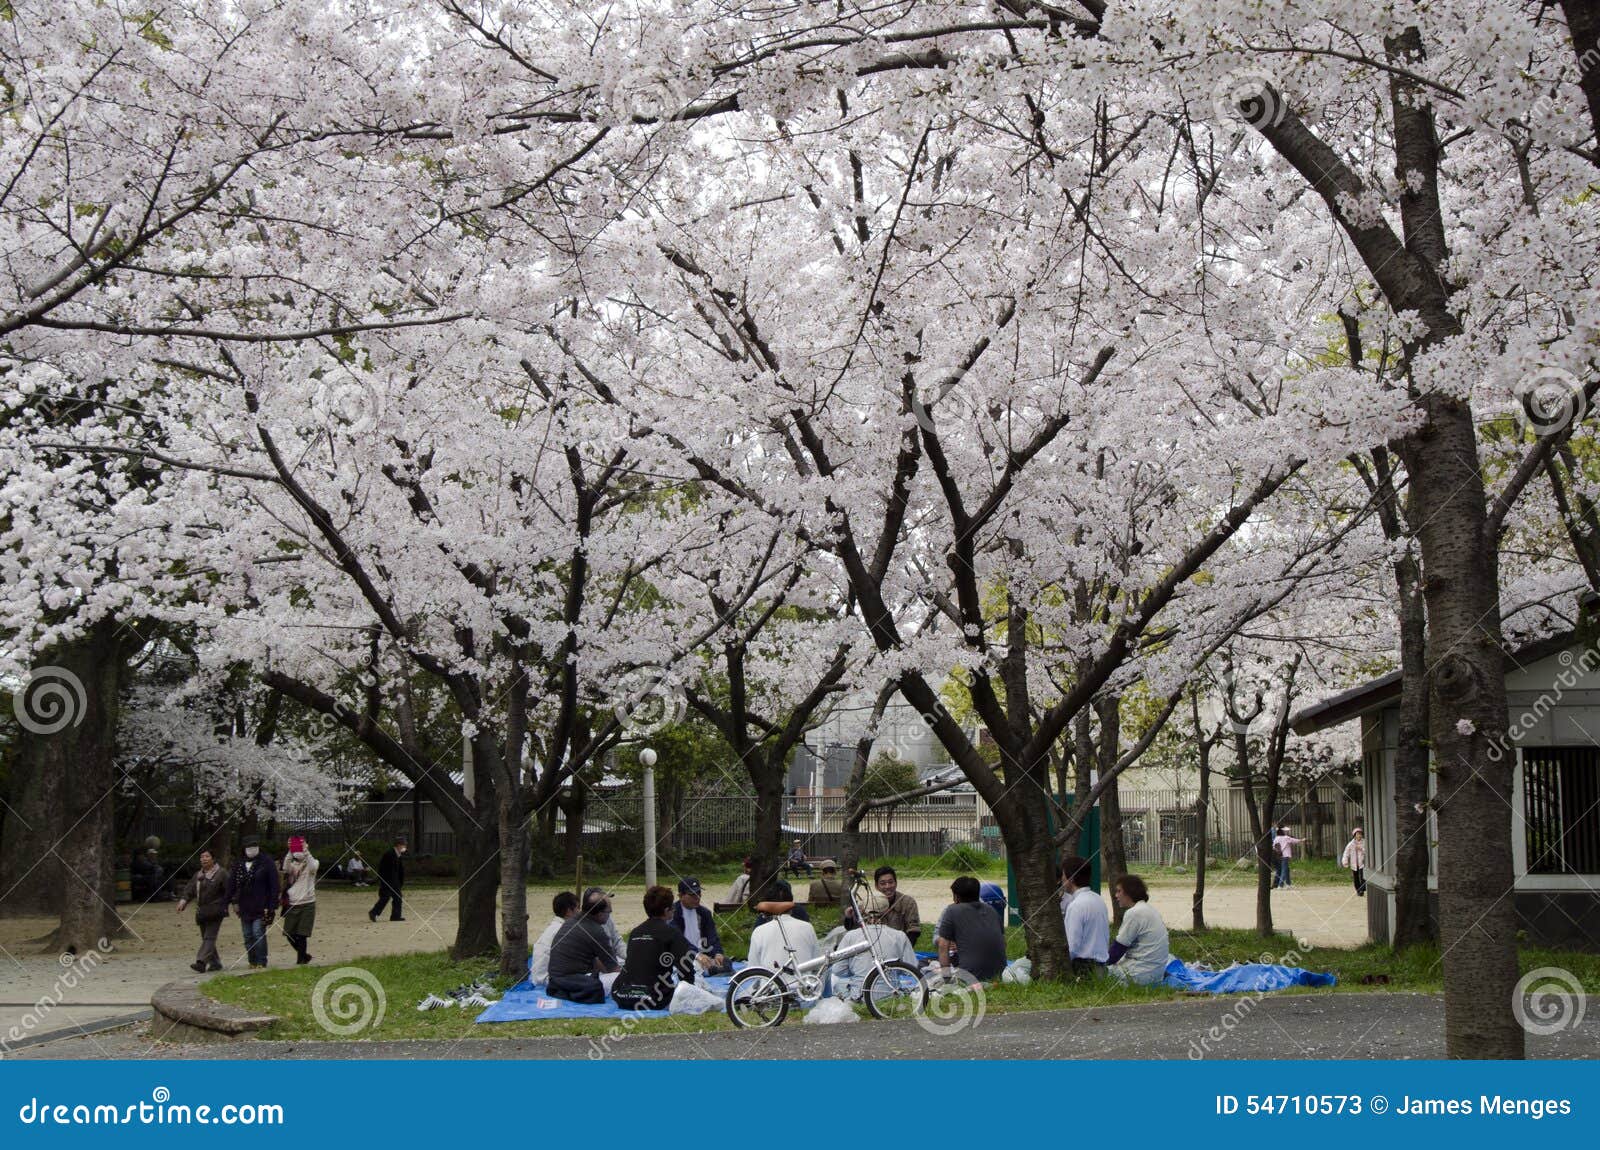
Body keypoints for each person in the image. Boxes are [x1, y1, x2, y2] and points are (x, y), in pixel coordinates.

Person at [612, 885, 695, 1010]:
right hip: (654, 999)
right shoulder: (671, 933)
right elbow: (685, 966)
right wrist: (690, 990)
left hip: (623, 996)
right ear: (667, 911)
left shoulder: (635, 932)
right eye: (672, 907)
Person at [829, 888, 917, 999]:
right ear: (887, 911)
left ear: (863, 912)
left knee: (837, 982)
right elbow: (911, 969)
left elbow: (838, 970)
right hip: (891, 996)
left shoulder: (850, 936)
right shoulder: (900, 936)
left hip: (859, 996)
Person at [546, 889, 620, 1003]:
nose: (610, 915)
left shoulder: (571, 921)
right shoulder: (596, 931)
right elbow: (614, 969)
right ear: (600, 914)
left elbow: (596, 961)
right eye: (609, 912)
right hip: (576, 981)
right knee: (621, 978)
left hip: (555, 982)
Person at [935, 875, 1008, 982]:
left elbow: (942, 946)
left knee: (927, 965)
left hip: (969, 976)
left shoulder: (952, 910)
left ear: (956, 897)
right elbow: (1004, 943)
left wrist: (946, 979)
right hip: (999, 973)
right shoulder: (991, 910)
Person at [747, 880, 820, 981]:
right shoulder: (807, 927)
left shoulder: (759, 931)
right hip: (804, 990)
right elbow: (817, 964)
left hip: (770, 991)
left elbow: (752, 969)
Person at [226, 835, 279, 969]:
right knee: (248, 936)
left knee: (258, 933)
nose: (251, 850)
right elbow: (231, 885)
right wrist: (226, 902)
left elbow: (274, 885)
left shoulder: (267, 862)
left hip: (261, 906)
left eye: (254, 847)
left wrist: (272, 905)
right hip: (244, 905)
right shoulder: (239, 864)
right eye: (249, 847)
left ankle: (261, 960)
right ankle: (252, 960)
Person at [1107, 874, 1170, 986]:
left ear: (1129, 892)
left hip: (1141, 974)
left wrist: (1101, 963)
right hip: (1157, 973)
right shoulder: (1149, 909)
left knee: (1094, 973)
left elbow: (1118, 949)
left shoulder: (1134, 913)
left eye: (1119, 891)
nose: (1116, 895)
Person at [175, 848, 228, 973]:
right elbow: (190, 889)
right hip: (202, 911)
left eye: (207, 856)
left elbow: (230, 890)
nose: (204, 859)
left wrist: (234, 903)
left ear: (213, 859)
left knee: (209, 937)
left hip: (216, 910)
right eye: (202, 857)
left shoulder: (221, 873)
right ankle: (215, 963)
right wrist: (183, 901)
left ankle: (201, 962)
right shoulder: (198, 875)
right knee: (206, 937)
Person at [1059, 854, 1109, 977]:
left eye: (1063, 876)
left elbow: (1072, 946)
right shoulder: (1098, 899)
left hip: (1084, 968)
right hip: (1102, 966)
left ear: (1071, 879)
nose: (1061, 880)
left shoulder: (1076, 905)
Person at [670, 877, 733, 974]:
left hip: (704, 956)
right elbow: (679, 941)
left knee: (726, 962)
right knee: (691, 966)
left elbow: (712, 937)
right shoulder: (672, 914)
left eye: (698, 893)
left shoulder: (704, 913)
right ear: (680, 896)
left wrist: (718, 953)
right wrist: (697, 955)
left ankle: (710, 969)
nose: (697, 897)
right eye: (692, 895)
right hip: (683, 956)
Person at [280, 836, 318, 965]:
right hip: (292, 903)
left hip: (308, 903)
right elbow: (285, 868)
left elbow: (313, 867)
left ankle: (300, 961)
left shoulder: (312, 863)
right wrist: (290, 850)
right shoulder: (292, 865)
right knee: (289, 934)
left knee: (302, 935)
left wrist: (306, 851)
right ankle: (304, 955)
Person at [531, 890, 580, 985]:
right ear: (569, 911)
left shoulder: (554, 926)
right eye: (578, 908)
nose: (580, 911)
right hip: (548, 981)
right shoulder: (564, 930)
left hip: (538, 977)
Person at [873, 865, 921, 944]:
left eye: (891, 882)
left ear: (896, 883)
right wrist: (849, 917)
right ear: (876, 886)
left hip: (900, 947)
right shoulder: (869, 903)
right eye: (883, 883)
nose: (887, 886)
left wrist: (903, 949)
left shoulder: (908, 902)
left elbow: (914, 931)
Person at [583, 885, 627, 965]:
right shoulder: (582, 926)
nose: (610, 910)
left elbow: (617, 942)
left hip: (612, 966)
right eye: (603, 901)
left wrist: (630, 956)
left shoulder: (607, 919)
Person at [368, 835, 407, 922]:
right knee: (385, 897)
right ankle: (373, 912)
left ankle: (395, 916)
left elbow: (399, 870)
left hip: (395, 881)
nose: (405, 846)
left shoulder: (399, 855)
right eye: (403, 844)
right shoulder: (389, 854)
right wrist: (385, 881)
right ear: (398, 845)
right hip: (387, 881)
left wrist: (399, 882)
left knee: (397, 898)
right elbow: (383, 869)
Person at [1341, 827, 1367, 896]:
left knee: (1363, 877)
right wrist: (1345, 861)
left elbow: (1368, 851)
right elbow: (1346, 853)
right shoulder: (1351, 844)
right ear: (1354, 835)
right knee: (1356, 878)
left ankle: (1362, 889)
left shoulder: (1364, 842)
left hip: (1362, 863)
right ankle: (1358, 890)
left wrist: (1361, 849)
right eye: (1358, 834)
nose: (1359, 835)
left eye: (1360, 834)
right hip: (1354, 864)